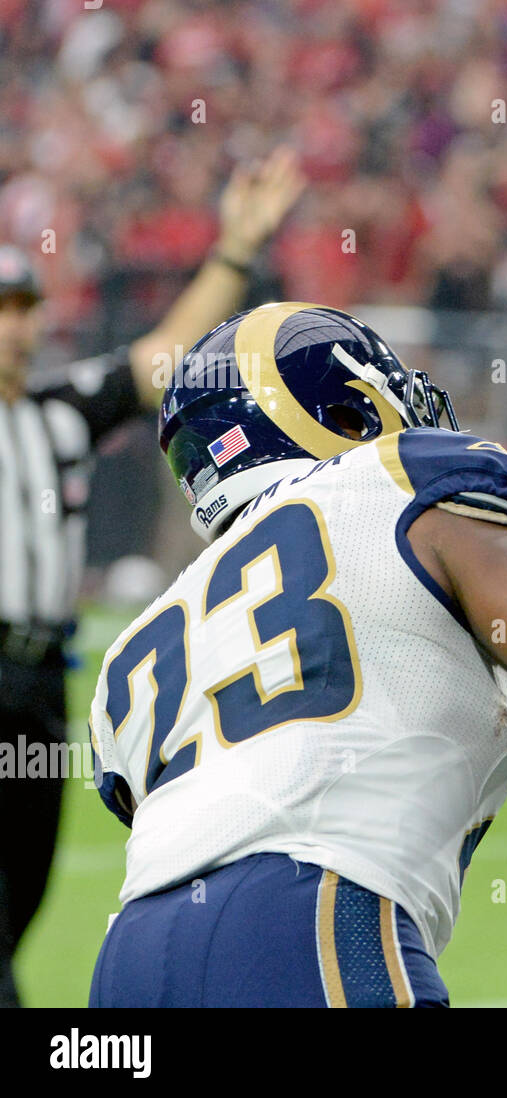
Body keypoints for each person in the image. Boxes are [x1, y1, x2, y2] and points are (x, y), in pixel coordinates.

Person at [87, 303, 507, 1007]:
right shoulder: (391, 477)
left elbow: (271, 754)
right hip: (306, 914)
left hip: (126, 964)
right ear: (342, 411)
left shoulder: (138, 642)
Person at [0, 148, 304, 1008]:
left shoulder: (57, 414)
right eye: (2, 310)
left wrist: (235, 251)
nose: (16, 326)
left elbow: (161, 359)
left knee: (25, 890)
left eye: (25, 308)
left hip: (38, 682)